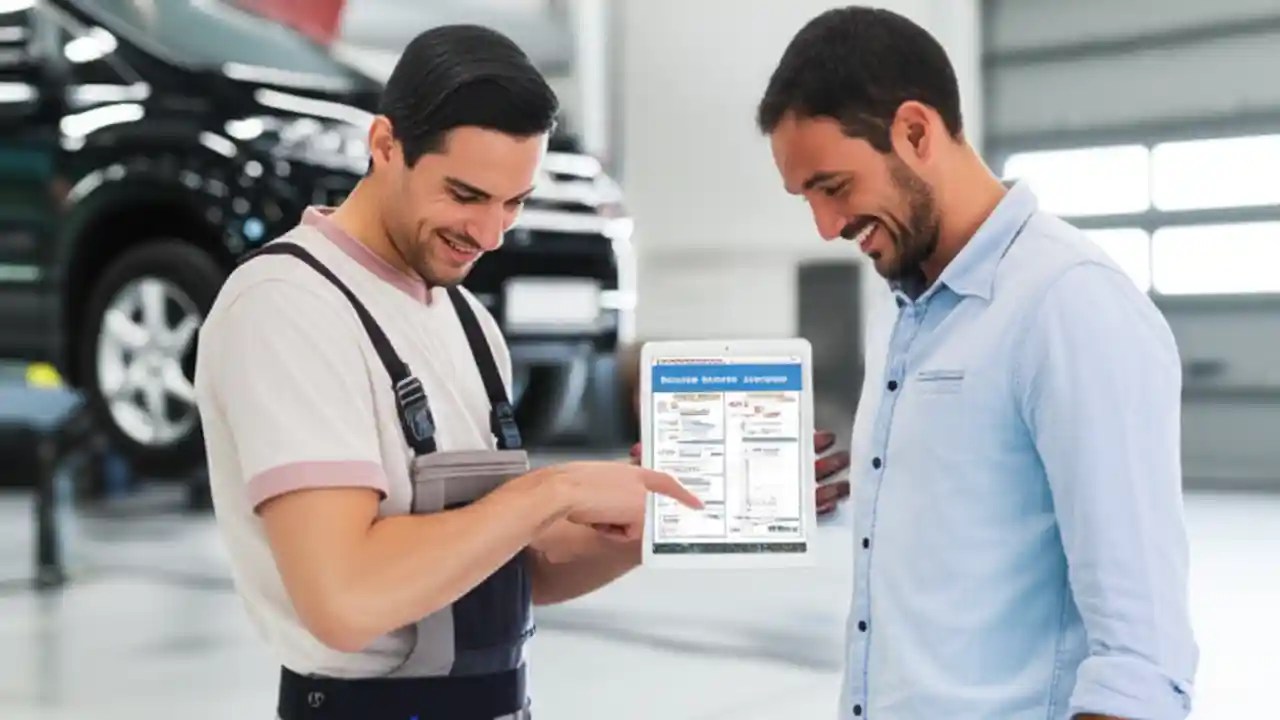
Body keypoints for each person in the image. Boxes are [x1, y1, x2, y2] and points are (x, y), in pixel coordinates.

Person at [193, 25, 710, 720]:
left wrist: (669, 519)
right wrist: (555, 489)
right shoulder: (291, 306)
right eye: (466, 195)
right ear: (384, 146)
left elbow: (501, 566)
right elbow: (345, 599)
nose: (492, 234)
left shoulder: (465, 319)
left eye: (514, 202)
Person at [756, 7, 1198, 720]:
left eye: (833, 188)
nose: (826, 227)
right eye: (805, 197)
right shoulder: (903, 307)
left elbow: (1142, 656)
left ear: (916, 132)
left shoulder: (1068, 305)